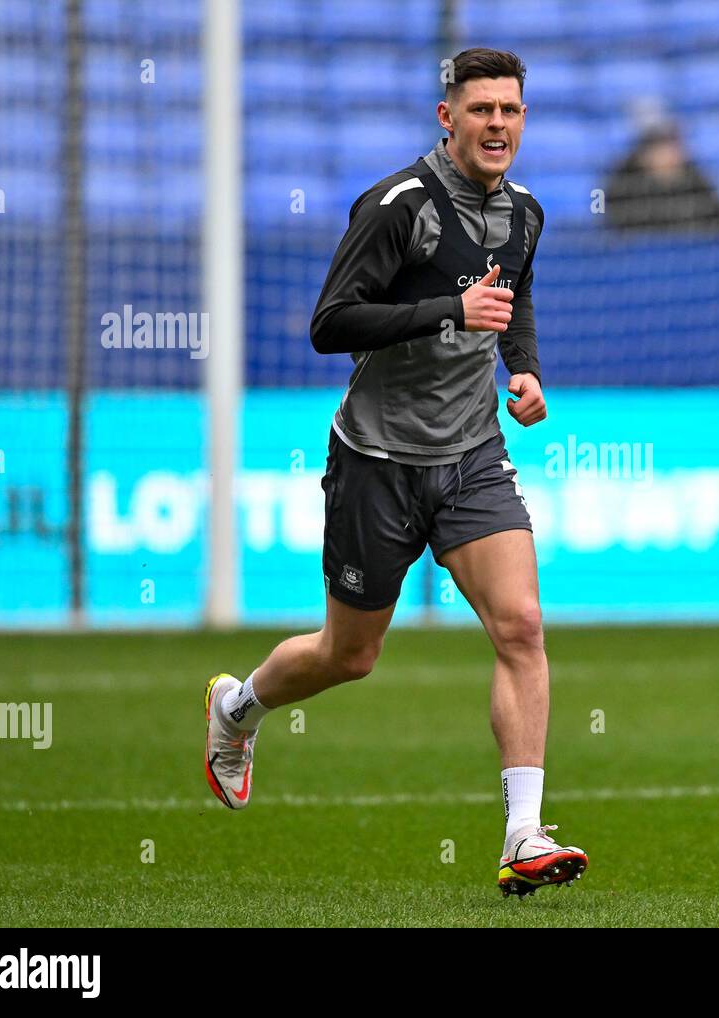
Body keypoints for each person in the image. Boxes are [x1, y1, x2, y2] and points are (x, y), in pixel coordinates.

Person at [201, 48, 586, 898]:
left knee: (521, 624)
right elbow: (330, 323)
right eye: (481, 109)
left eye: (512, 111)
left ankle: (524, 833)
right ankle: (237, 710)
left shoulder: (526, 213)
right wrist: (449, 310)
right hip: (376, 463)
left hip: (472, 457)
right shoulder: (396, 206)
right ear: (446, 117)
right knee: (350, 654)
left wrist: (521, 369)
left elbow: (512, 299)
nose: (498, 124)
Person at [603, 120, 719, 234]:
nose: (674, 155)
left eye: (675, 146)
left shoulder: (694, 178)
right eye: (664, 147)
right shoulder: (621, 186)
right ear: (645, 154)